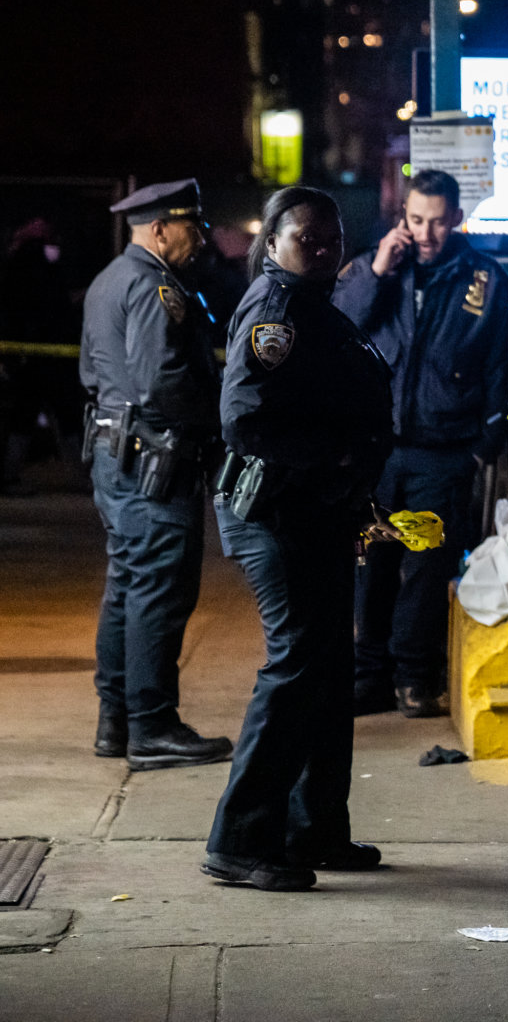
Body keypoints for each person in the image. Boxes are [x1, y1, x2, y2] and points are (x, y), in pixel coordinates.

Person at [202, 186, 394, 892]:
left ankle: (316, 828)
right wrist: (335, 457)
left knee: (327, 667)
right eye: (306, 238)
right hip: (277, 512)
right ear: (273, 242)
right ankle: (241, 838)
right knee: (297, 666)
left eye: (332, 238)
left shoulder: (315, 306)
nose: (321, 249)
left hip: (317, 511)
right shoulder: (277, 309)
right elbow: (245, 420)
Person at [333, 169, 508, 718]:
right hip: (378, 451)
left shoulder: (484, 277)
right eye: (416, 220)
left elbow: (497, 366)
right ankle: (369, 677)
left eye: (437, 221)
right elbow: (341, 328)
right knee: (372, 567)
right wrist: (379, 270)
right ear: (401, 218)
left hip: (444, 449)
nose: (427, 232)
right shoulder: (376, 267)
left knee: (427, 568)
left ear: (457, 219)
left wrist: (485, 444)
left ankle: (415, 678)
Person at [77, 179, 232, 770]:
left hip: (118, 455)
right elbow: (162, 381)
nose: (200, 239)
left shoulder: (109, 279)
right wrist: (216, 426)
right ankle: (152, 726)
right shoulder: (154, 286)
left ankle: (116, 720)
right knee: (159, 591)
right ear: (161, 229)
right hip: (153, 461)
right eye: (192, 227)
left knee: (129, 586)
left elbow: (94, 374)